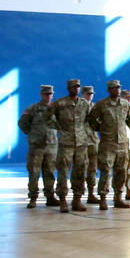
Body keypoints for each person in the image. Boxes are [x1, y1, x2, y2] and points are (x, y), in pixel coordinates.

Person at [88, 80, 130, 211]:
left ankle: (118, 198)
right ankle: (103, 198)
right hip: (108, 144)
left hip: (122, 144)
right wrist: (101, 129)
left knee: (121, 172)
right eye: (114, 88)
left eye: (118, 88)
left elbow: (129, 118)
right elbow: (91, 119)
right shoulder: (102, 104)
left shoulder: (125, 104)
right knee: (106, 172)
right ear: (109, 90)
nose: (117, 90)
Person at [50, 78, 92, 213]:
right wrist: (59, 128)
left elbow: (90, 120)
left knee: (80, 171)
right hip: (66, 143)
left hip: (81, 143)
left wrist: (83, 132)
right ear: (68, 88)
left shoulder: (85, 103)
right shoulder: (60, 103)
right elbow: (46, 117)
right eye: (74, 87)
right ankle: (62, 200)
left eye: (78, 87)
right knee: (63, 171)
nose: (76, 89)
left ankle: (77, 200)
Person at [17, 84, 59, 209]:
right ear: (41, 94)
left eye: (50, 94)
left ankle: (50, 197)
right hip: (36, 147)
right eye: (45, 94)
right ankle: (33, 198)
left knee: (50, 172)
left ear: (52, 95)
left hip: (51, 146)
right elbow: (22, 123)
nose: (48, 96)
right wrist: (32, 134)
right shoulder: (33, 109)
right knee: (34, 173)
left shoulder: (56, 109)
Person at [79, 84, 100, 204]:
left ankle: (91, 193)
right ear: (83, 94)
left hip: (93, 141)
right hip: (81, 142)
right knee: (80, 168)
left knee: (93, 169)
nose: (90, 96)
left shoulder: (96, 107)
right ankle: (78, 195)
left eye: (91, 94)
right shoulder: (77, 107)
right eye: (88, 94)